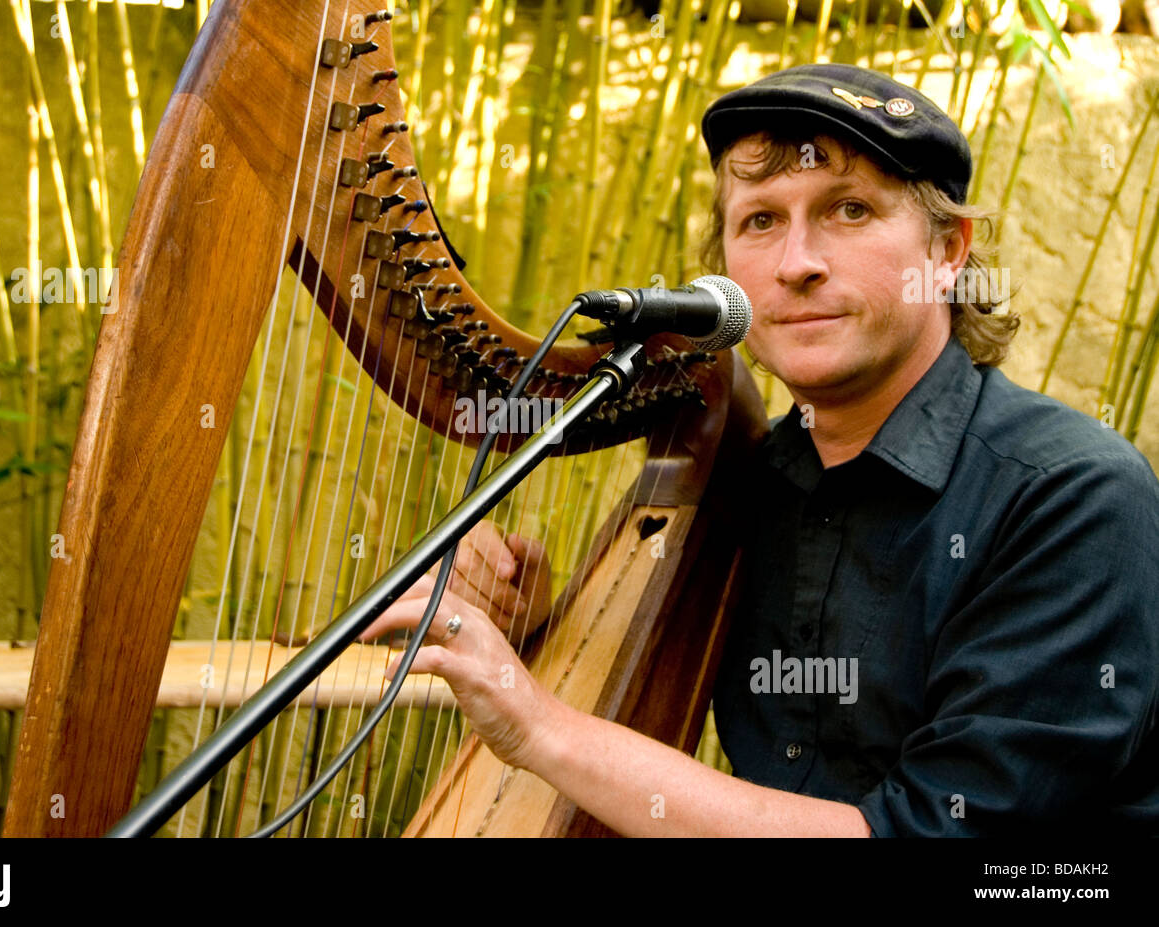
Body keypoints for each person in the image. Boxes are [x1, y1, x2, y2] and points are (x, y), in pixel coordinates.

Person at [363, 64, 1159, 836]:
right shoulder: (745, 481)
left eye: (850, 210)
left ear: (948, 250)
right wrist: (537, 622)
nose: (796, 263)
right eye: (761, 221)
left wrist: (543, 728)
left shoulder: (1073, 498)